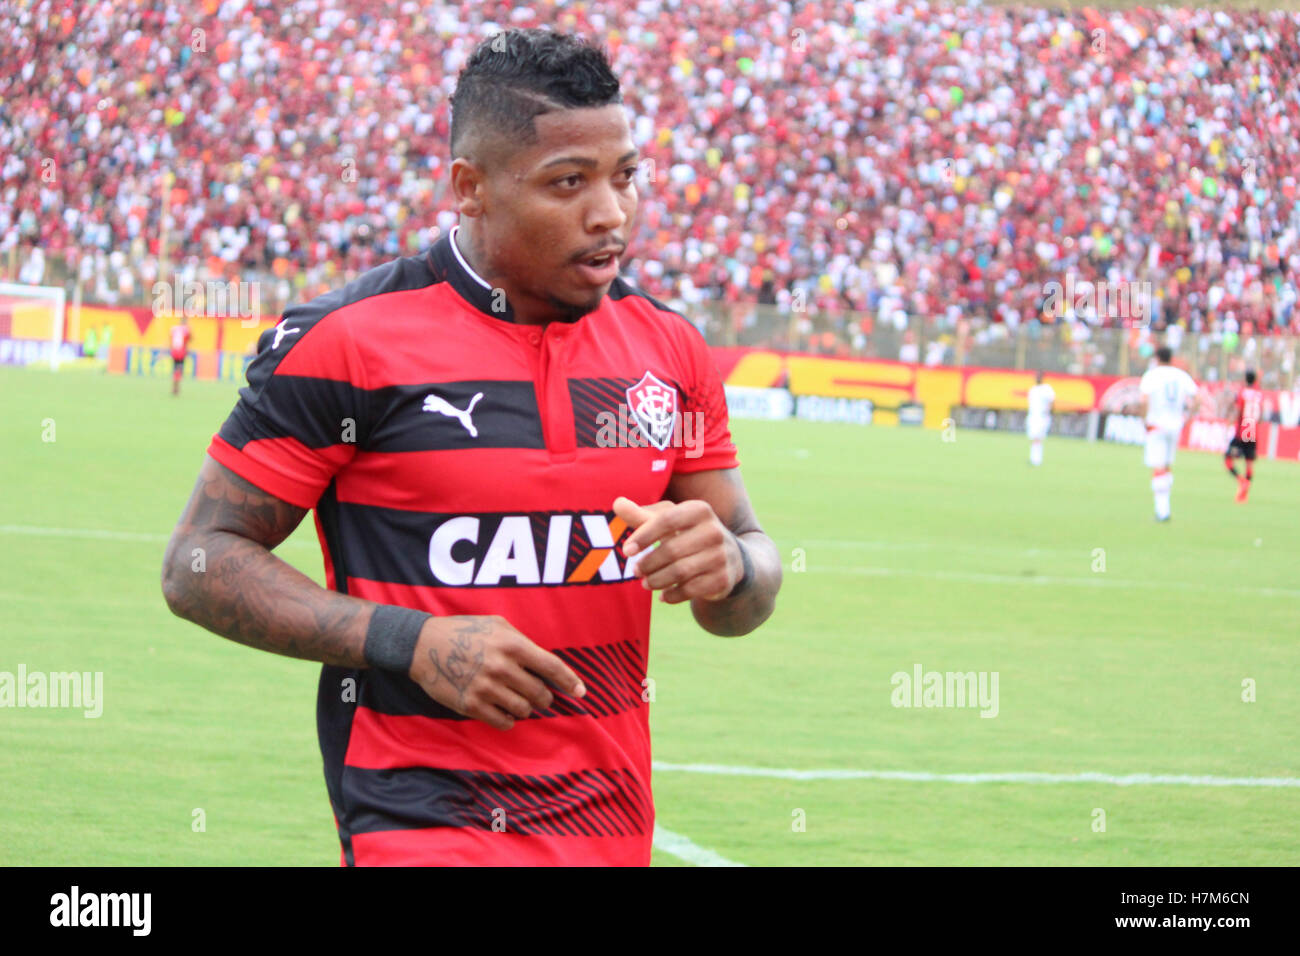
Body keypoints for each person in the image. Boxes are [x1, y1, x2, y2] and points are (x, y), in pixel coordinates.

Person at [160, 30, 782, 867]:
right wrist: (408, 642)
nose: (611, 213)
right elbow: (198, 561)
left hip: (609, 827)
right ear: (470, 188)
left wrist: (735, 567)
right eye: (570, 182)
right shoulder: (349, 342)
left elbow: (745, 583)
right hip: (420, 820)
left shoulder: (669, 351)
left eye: (625, 176)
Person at [1137, 345, 1201, 522]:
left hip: (1156, 425)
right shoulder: (1180, 375)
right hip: (1175, 425)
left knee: (1158, 466)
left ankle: (1162, 511)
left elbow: (1143, 400)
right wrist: (1187, 417)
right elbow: (1198, 398)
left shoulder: (1152, 375)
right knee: (1166, 465)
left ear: (1156, 358)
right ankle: (1164, 506)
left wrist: (1144, 419)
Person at [1223, 369, 1263, 503]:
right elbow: (1260, 414)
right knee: (1249, 463)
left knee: (1228, 459)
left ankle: (1242, 481)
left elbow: (1238, 408)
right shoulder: (1259, 393)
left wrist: (1230, 421)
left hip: (1243, 428)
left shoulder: (1242, 392)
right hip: (1252, 428)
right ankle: (1244, 495)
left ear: (1245, 379)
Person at [1025, 370, 1054, 466]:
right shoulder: (1033, 389)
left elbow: (1051, 401)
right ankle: (1034, 458)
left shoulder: (1046, 389)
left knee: (1038, 438)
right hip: (1033, 416)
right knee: (1034, 438)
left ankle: (1036, 460)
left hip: (1041, 416)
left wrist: (1047, 412)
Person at [168, 317, 191, 396]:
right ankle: (176, 388)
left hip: (174, 351)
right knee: (179, 370)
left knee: (175, 369)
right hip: (181, 352)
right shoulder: (186, 330)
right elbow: (188, 340)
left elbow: (171, 340)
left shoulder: (174, 328)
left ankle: (174, 387)